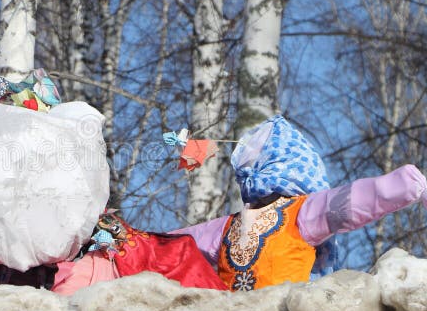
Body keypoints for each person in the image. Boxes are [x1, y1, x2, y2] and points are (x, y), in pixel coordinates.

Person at [168, 116, 427, 291]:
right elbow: (176, 245)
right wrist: (133, 242)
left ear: (281, 163)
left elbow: (358, 198)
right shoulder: (227, 226)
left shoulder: (302, 212)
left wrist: (407, 183)